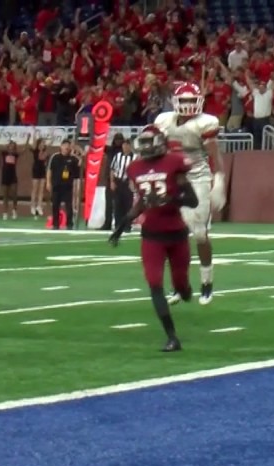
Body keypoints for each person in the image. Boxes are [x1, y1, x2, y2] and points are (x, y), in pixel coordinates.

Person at [107, 125, 199, 352]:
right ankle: (172, 337)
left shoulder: (173, 162)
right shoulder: (135, 167)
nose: (146, 147)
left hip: (176, 234)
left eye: (150, 142)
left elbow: (192, 200)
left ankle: (185, 289)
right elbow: (142, 201)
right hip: (152, 236)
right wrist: (123, 223)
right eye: (144, 143)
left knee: (181, 286)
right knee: (155, 284)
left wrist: (170, 200)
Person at [154, 83, 227, 305]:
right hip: (173, 180)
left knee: (199, 234)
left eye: (190, 101)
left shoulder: (205, 123)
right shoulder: (164, 121)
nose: (186, 105)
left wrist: (220, 180)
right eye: (182, 101)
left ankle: (207, 283)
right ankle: (179, 284)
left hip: (198, 179)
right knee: (171, 235)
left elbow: (215, 153)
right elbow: (157, 151)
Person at [46, 139, 80, 229]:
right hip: (56, 185)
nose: (66, 147)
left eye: (68, 146)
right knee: (55, 205)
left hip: (68, 186)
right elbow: (49, 170)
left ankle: (69, 224)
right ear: (61, 147)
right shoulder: (55, 157)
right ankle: (55, 224)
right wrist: (48, 182)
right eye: (64, 145)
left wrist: (78, 152)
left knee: (69, 206)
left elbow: (81, 164)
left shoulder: (73, 159)